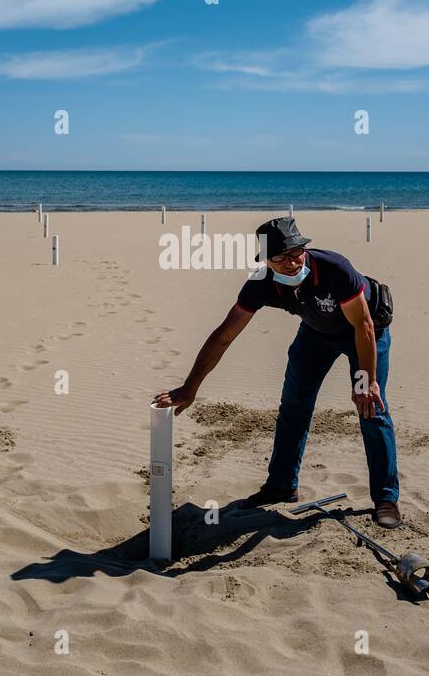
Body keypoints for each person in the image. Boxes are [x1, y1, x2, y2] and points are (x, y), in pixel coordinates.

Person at [152, 217, 401, 527]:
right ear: (266, 260)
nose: (291, 262)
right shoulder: (262, 283)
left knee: (371, 408)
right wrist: (190, 387)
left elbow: (362, 326)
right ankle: (281, 486)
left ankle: (386, 497)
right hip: (315, 334)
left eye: (295, 252)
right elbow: (225, 334)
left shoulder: (334, 268)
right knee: (293, 405)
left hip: (365, 333)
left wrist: (366, 381)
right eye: (280, 257)